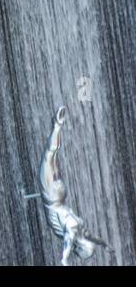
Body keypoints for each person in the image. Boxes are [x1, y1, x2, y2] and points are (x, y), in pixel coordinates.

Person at [38, 107, 107, 265]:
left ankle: (57, 126)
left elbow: (91, 238)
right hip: (51, 195)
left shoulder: (81, 228)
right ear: (80, 248)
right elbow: (68, 243)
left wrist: (103, 244)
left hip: (60, 195)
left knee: (52, 154)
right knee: (49, 154)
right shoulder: (74, 229)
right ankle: (57, 125)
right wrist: (64, 259)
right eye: (78, 253)